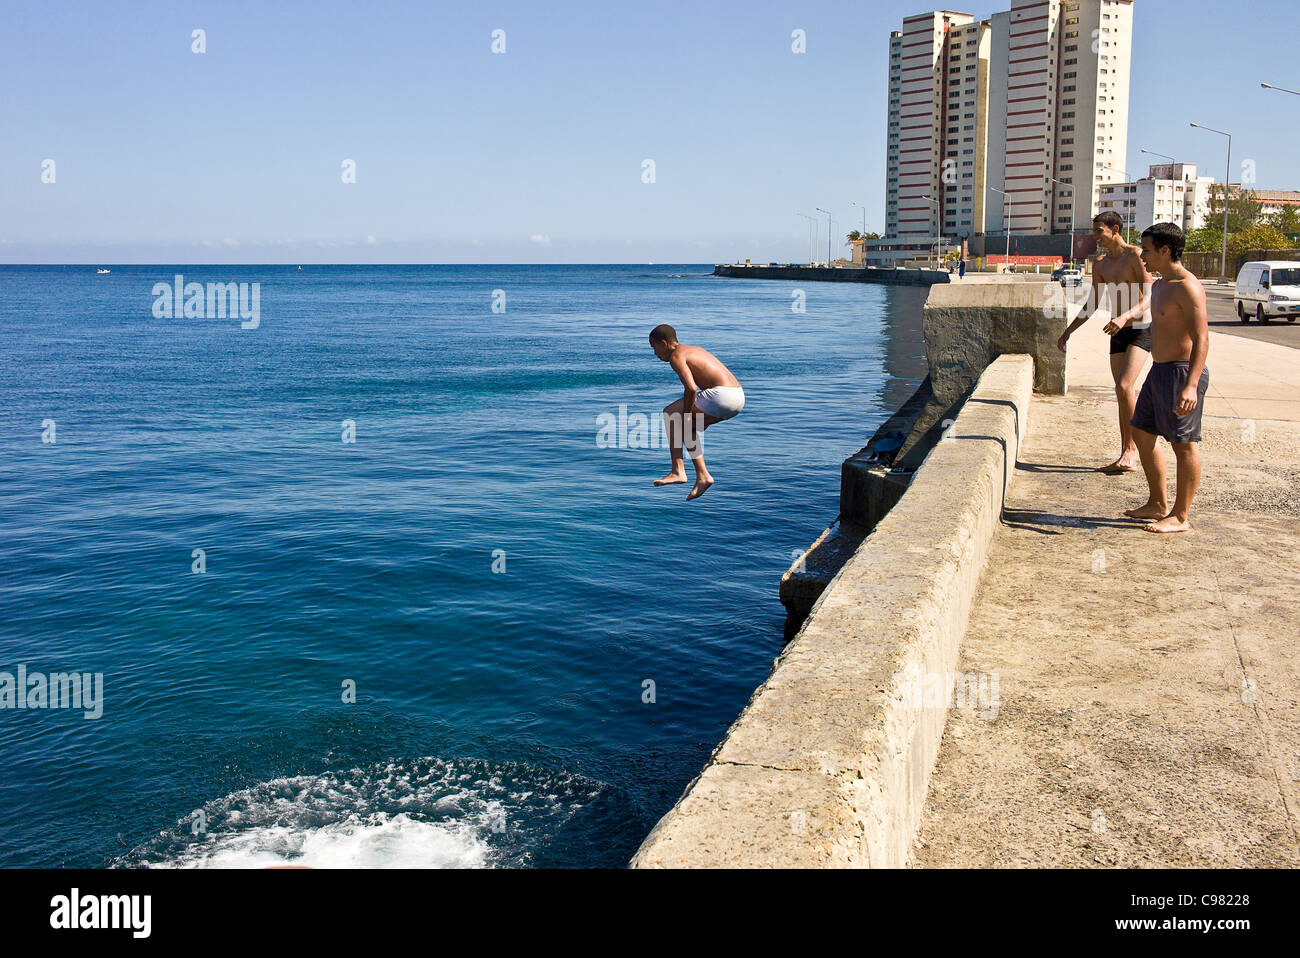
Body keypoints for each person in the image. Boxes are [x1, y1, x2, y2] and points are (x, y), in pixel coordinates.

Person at [1123, 223, 1209, 534]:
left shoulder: (1188, 287)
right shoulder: (1159, 286)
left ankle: (1181, 516)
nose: (1142, 255)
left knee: (1183, 444)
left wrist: (1191, 385)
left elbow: (1202, 338)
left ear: (1165, 250)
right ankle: (1157, 503)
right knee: (1141, 433)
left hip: (1182, 372)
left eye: (1146, 249)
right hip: (1159, 370)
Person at [1056, 211, 1154, 472]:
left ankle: (1132, 451)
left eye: (1099, 231)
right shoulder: (1100, 264)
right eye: (1094, 231)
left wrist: (1124, 316)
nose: (1095, 236)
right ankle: (1126, 451)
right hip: (1118, 332)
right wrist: (1069, 331)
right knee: (1121, 392)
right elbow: (1092, 303)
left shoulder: (1135, 255)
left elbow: (1149, 296)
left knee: (1125, 386)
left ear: (1115, 229)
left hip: (1140, 327)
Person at [648, 324, 745, 500]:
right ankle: (703, 477)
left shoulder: (676, 356)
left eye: (654, 349)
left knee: (670, 414)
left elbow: (691, 389)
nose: (655, 354)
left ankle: (678, 470)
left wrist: (685, 415)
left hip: (721, 395)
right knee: (688, 429)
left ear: (664, 343)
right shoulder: (693, 350)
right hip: (737, 397)